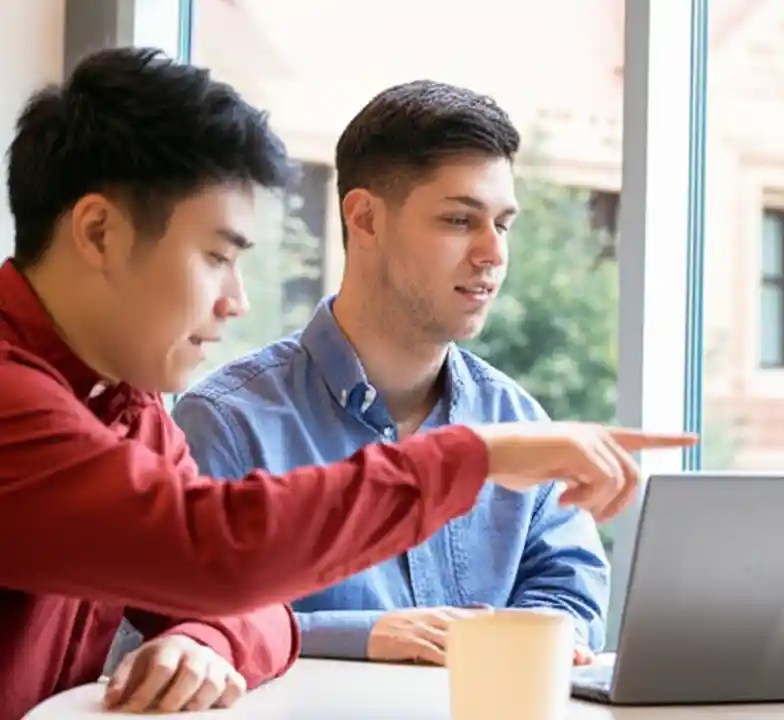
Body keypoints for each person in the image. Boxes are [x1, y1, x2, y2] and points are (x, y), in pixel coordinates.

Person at [0, 47, 694, 718]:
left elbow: (242, 603)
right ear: (97, 233)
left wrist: (208, 636)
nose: (236, 301)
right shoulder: (17, 397)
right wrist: (477, 457)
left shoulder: (128, 408)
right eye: (216, 257)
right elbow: (214, 550)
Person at [159, 79, 608, 668]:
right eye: (458, 220)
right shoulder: (227, 423)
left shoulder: (516, 418)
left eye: (503, 224)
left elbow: (571, 595)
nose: (493, 253)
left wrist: (529, 643)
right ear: (365, 219)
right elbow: (169, 634)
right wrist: (362, 634)